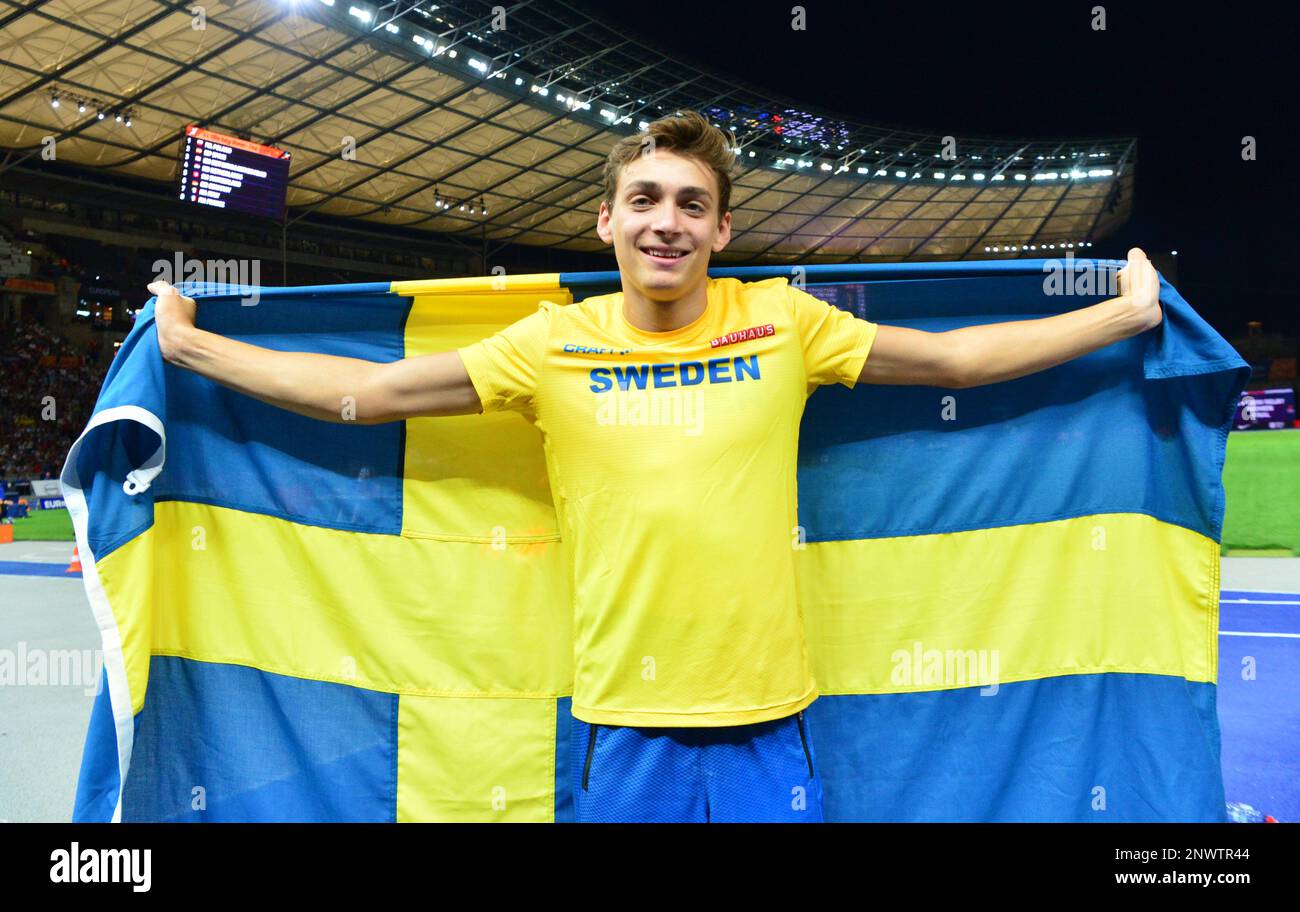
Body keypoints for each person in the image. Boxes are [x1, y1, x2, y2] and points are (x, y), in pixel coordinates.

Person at [149, 110, 1162, 823]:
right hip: (622, 719)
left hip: (771, 717)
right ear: (607, 221)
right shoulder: (551, 343)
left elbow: (955, 361)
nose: (664, 220)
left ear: (721, 229)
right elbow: (371, 394)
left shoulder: (784, 322)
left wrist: (1122, 313)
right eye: (643, 199)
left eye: (689, 203)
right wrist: (193, 349)